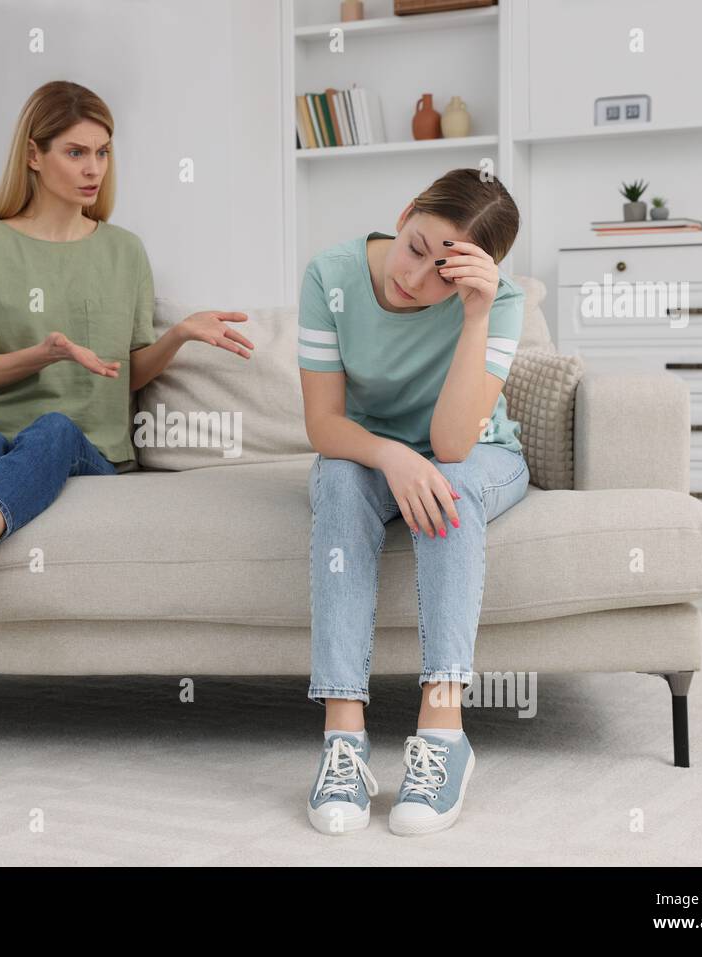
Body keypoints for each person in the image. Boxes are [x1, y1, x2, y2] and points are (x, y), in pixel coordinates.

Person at [0, 80, 253, 674]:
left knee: (54, 427)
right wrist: (44, 354)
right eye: (76, 152)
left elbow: (129, 373)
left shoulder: (125, 251)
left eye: (103, 152)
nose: (94, 169)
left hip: (87, 446)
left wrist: (179, 334)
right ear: (34, 154)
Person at [298, 168, 530, 836]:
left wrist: (477, 314)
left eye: (445, 273)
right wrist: (392, 455)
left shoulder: (499, 302)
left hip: (479, 457)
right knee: (339, 475)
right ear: (404, 213)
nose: (417, 277)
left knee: (449, 483)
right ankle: (343, 740)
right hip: (374, 456)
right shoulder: (331, 275)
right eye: (416, 246)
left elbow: (455, 443)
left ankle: (444, 734)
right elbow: (324, 424)